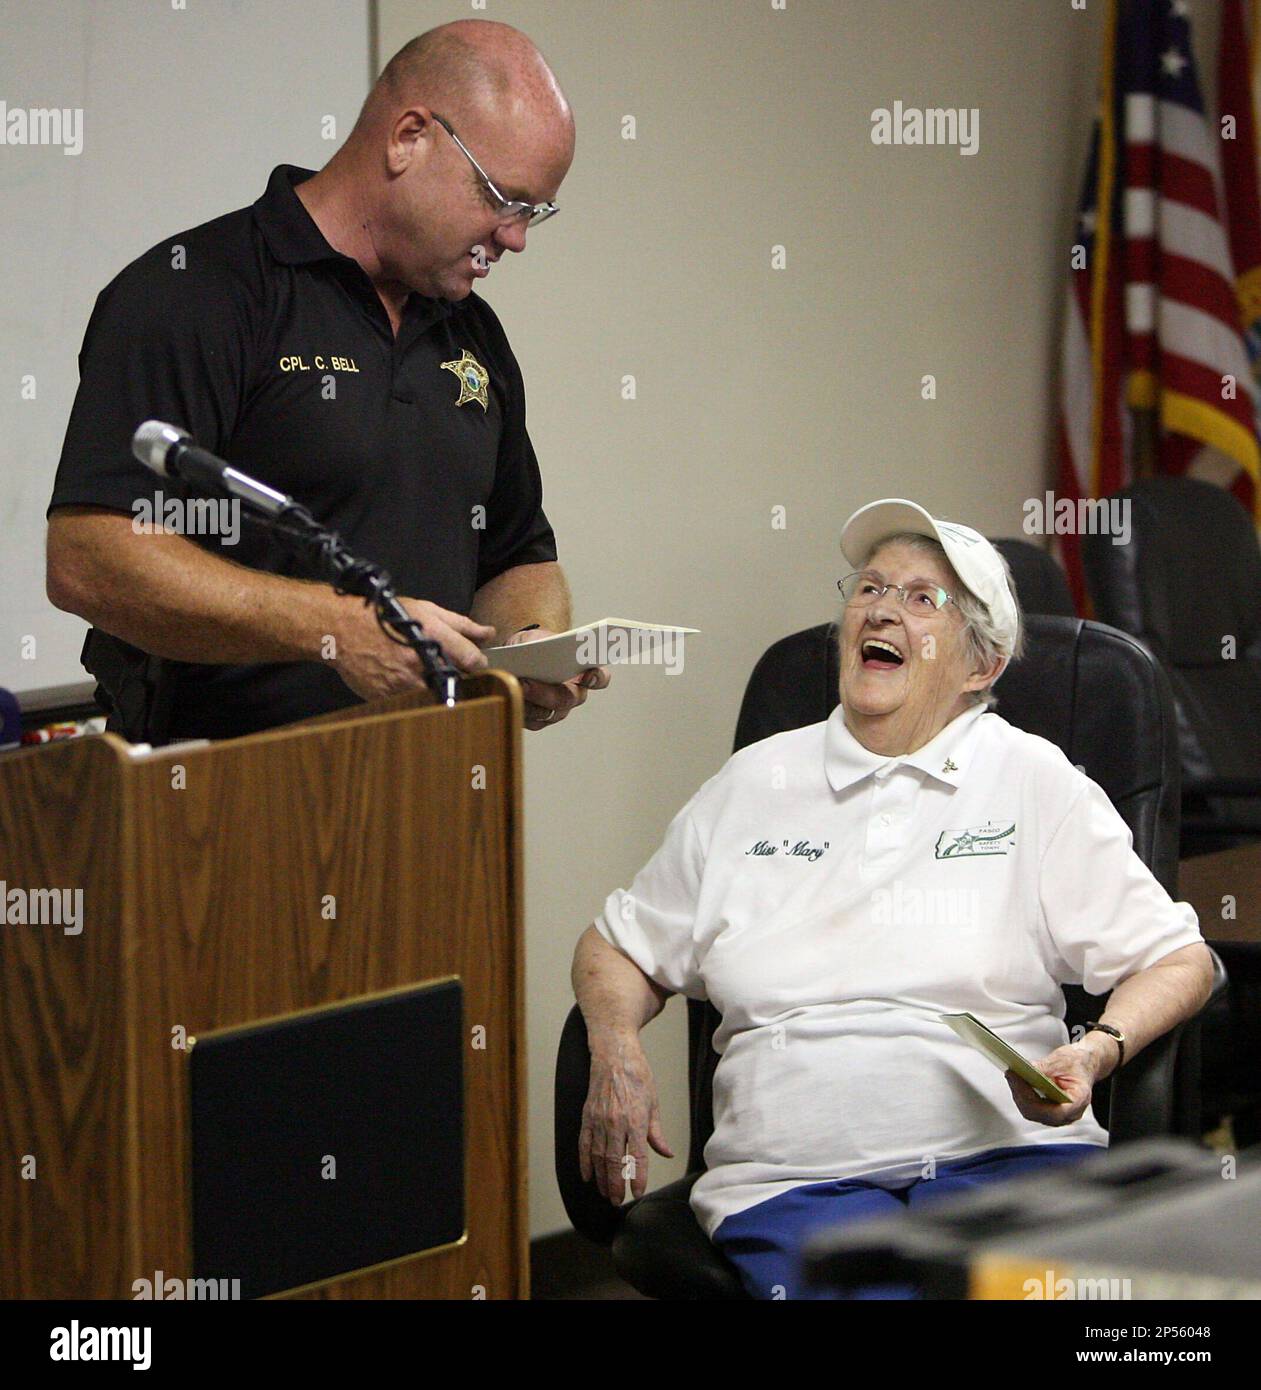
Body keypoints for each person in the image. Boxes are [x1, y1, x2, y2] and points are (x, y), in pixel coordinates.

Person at [572, 497, 1214, 1299]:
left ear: (979, 667)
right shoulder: (754, 781)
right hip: (793, 1180)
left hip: (1010, 1163)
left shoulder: (1032, 779)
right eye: (869, 588)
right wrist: (616, 1047)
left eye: (921, 599)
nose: (880, 609)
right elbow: (618, 945)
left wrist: (1097, 1049)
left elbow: (1178, 959)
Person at [45, 19, 607, 743]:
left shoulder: (473, 334)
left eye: (535, 212)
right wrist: (336, 629)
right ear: (409, 137)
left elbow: (515, 556)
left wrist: (530, 646)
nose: (516, 236)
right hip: (219, 804)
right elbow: (90, 558)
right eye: (503, 197)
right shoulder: (195, 294)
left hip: (436, 793)